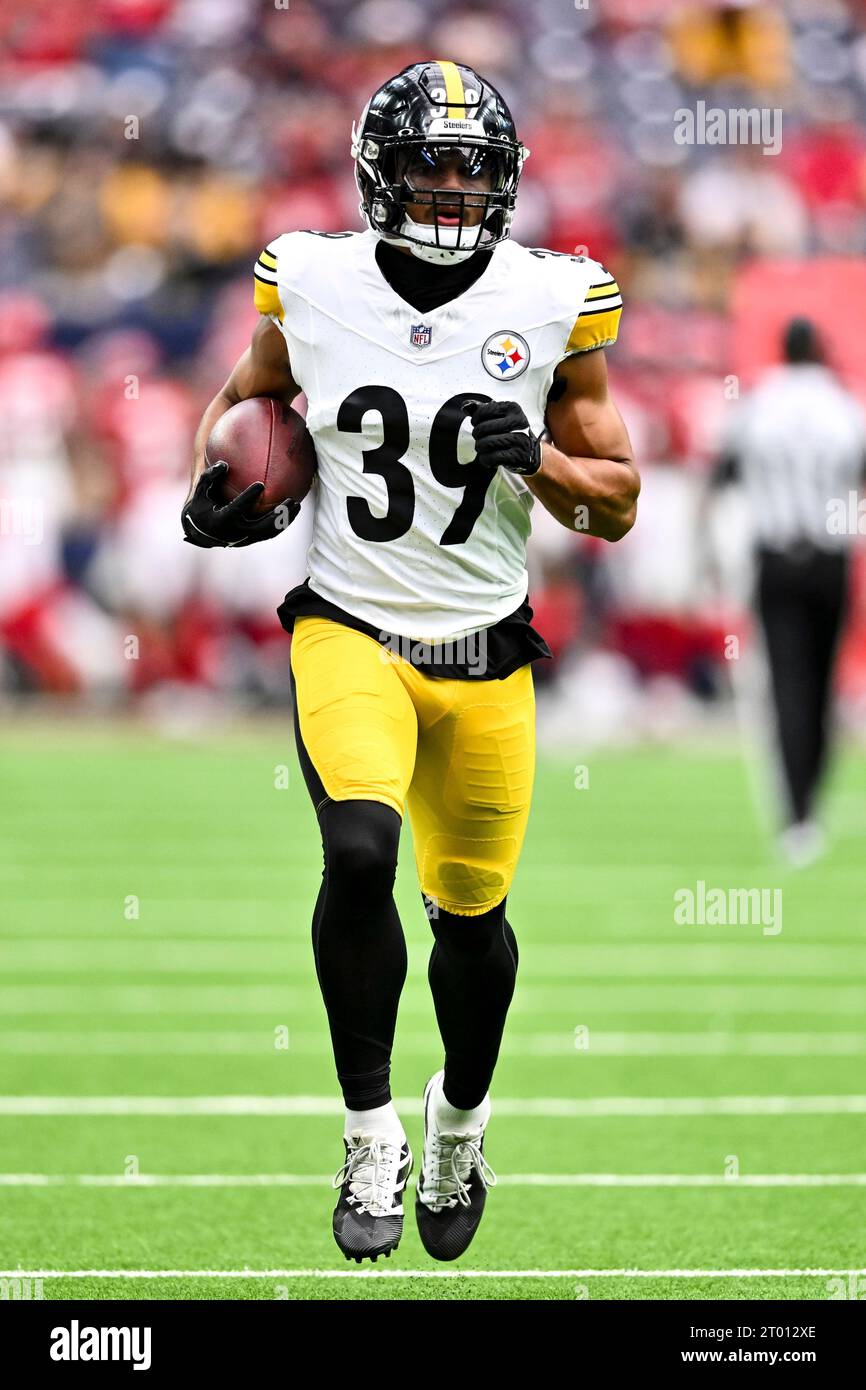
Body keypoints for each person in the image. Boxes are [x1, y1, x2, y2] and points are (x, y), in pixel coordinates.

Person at [182, 60, 638, 1263]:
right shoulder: (313, 277)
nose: (447, 186)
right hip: (350, 627)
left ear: (503, 182)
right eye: (428, 164)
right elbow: (244, 406)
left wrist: (534, 459)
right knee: (355, 849)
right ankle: (368, 1126)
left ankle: (458, 1120)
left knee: (471, 925)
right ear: (377, 170)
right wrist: (213, 492)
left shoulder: (553, 299)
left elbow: (617, 503)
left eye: (468, 168)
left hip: (484, 649)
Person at [711, 318, 866, 864]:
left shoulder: (757, 401)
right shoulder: (843, 403)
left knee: (787, 683)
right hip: (829, 558)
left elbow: (722, 478)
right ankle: (812, 800)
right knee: (822, 683)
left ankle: (796, 811)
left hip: (774, 558)